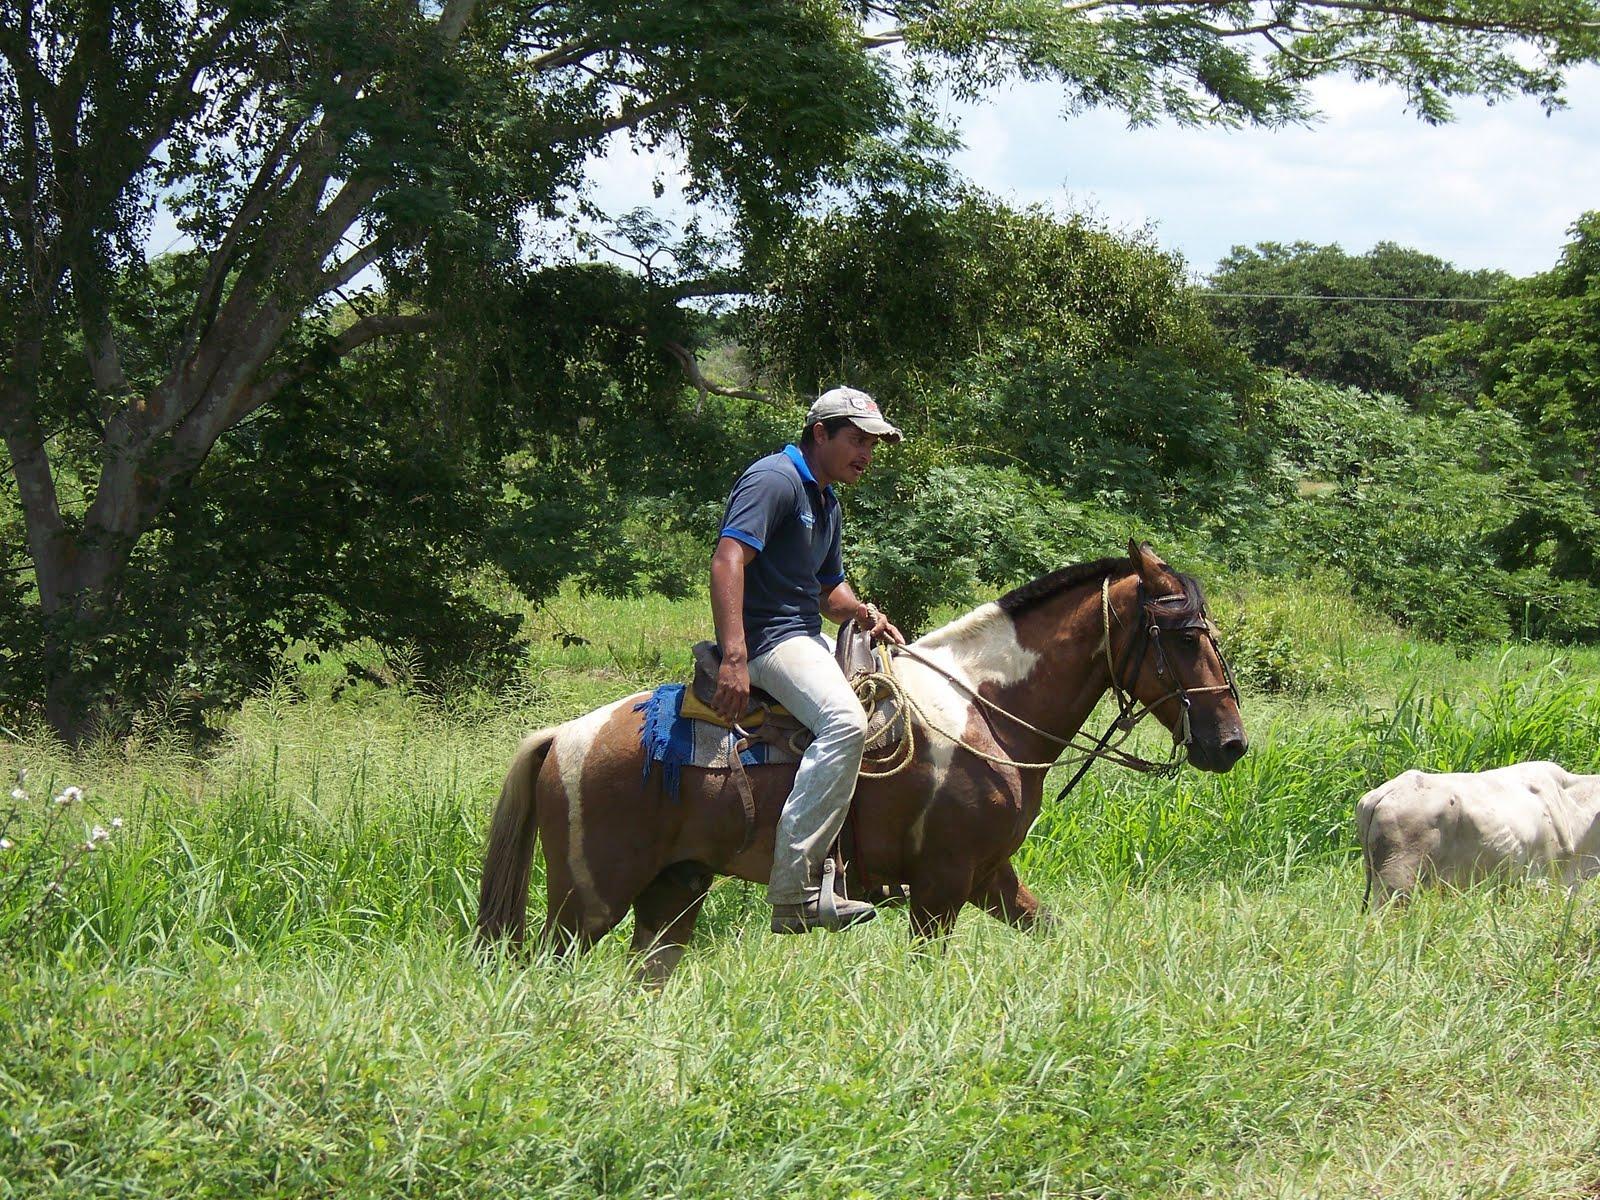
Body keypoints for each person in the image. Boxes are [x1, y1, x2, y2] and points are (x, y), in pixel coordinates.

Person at [710, 386, 906, 934]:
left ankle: (866, 861)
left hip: (806, 633)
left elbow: (829, 592)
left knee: (895, 702)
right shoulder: (774, 480)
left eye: (873, 444)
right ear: (820, 433)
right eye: (857, 440)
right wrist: (734, 656)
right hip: (770, 640)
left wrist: (866, 614)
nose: (866, 453)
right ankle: (794, 889)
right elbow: (728, 559)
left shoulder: (826, 499)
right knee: (845, 722)